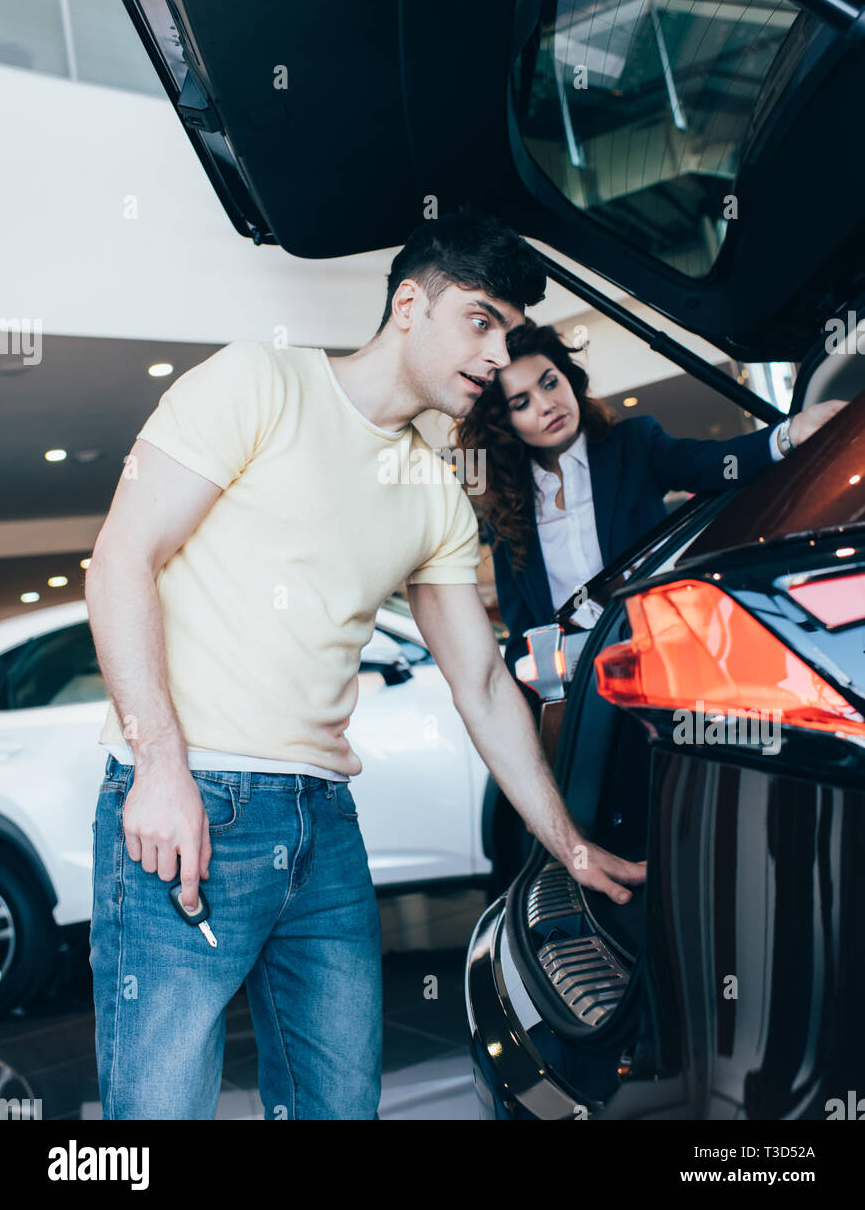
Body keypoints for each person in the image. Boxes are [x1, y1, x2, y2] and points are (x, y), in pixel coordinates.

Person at [84, 208, 647, 1122]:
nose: (497, 355)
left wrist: (568, 843)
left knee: (338, 1110)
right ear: (408, 306)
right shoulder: (259, 383)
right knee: (155, 1119)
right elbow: (120, 561)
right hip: (188, 801)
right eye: (479, 320)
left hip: (323, 825)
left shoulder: (433, 494)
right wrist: (156, 767)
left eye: (509, 333)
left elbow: (481, 685)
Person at [452, 319, 846, 687]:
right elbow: (523, 633)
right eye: (521, 403)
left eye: (550, 383)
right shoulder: (506, 509)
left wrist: (789, 435)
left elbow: (713, 464)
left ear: (568, 380)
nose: (546, 404)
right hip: (578, 691)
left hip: (662, 658)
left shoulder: (632, 445)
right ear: (505, 423)